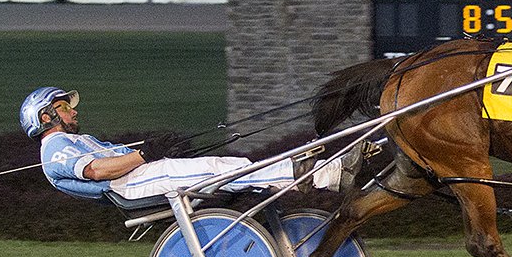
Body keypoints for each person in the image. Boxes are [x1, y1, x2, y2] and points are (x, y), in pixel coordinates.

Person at [19, 87, 357, 202]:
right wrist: (144, 154)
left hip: (137, 176)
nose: (73, 109)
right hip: (129, 185)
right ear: (46, 117)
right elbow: (95, 170)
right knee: (217, 172)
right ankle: (317, 176)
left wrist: (152, 151)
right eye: (64, 106)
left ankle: (310, 170)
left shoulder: (72, 138)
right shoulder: (54, 147)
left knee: (225, 166)